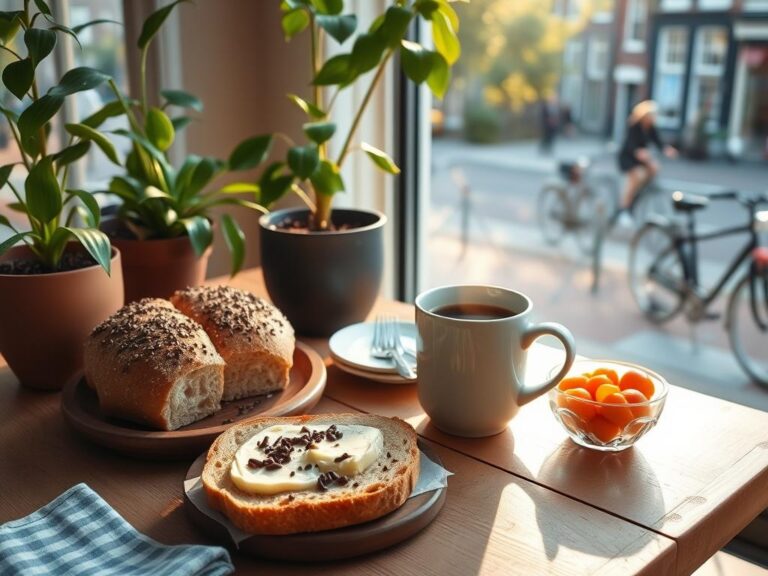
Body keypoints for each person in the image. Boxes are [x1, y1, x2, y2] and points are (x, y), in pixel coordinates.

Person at [616, 100, 677, 225]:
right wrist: (640, 153)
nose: (654, 118)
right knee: (636, 178)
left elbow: (658, 142)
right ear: (645, 115)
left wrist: (667, 150)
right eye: (652, 115)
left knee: (654, 169)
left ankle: (642, 192)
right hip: (629, 158)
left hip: (642, 157)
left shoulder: (650, 128)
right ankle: (624, 209)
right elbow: (630, 145)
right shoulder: (635, 126)